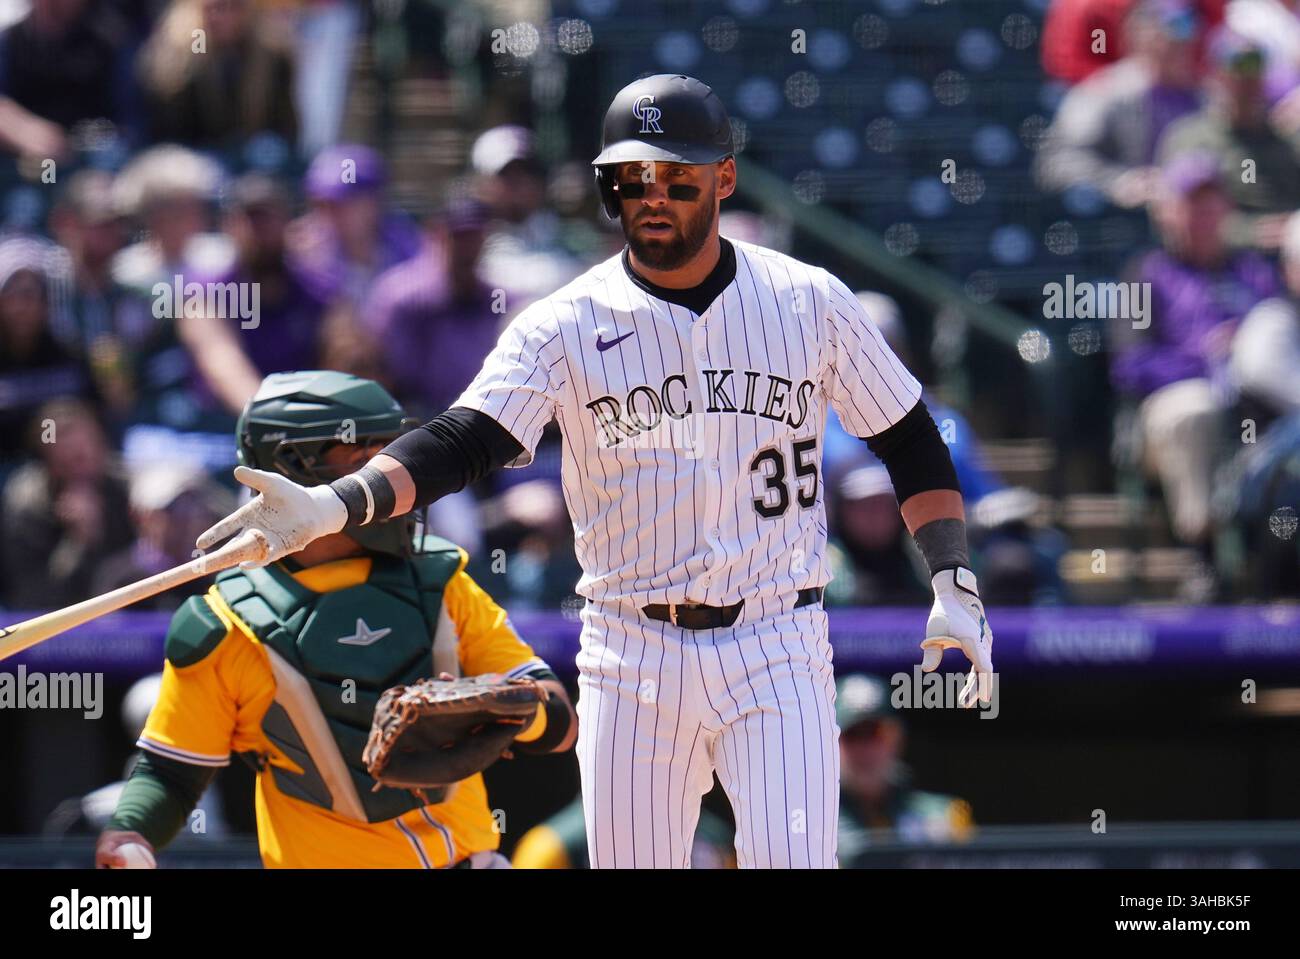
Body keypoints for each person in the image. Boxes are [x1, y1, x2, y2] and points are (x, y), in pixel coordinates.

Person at [191, 75, 994, 869]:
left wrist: (952, 574)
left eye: (676, 178)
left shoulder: (806, 300)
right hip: (631, 645)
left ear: (723, 177)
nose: (653, 197)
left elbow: (912, 436)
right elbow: (465, 437)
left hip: (777, 636)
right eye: (630, 179)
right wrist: (336, 505)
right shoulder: (564, 322)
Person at [95, 371, 576, 868]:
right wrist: (129, 835)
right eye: (366, 458)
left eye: (396, 454)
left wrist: (512, 709)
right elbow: (171, 772)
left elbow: (560, 724)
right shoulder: (226, 623)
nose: (395, 479)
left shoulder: (440, 578)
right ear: (293, 470)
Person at [1112, 152, 1279, 546]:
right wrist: (1205, 358)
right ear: (1165, 212)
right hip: (1168, 413)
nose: (1202, 215)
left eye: (1211, 204)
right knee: (1197, 409)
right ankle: (1204, 549)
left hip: (1251, 401)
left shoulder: (1253, 271)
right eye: (1191, 204)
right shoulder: (1144, 274)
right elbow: (1130, 366)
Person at [1036, 0, 1204, 207]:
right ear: (1140, 33)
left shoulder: (1206, 98)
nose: (1183, 38)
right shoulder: (1104, 93)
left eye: (1190, 25)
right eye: (1172, 26)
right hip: (1122, 225)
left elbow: (1237, 163)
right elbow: (1057, 163)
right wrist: (1118, 181)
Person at [1158, 28, 1300, 249]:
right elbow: (1171, 211)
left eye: (1254, 69)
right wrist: (1246, 232)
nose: (1246, 81)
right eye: (1237, 68)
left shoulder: (1288, 140)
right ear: (1215, 74)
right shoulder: (1192, 138)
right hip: (1221, 262)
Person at [1, 398, 133, 611]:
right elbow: (33, 600)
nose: (81, 469)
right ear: (46, 462)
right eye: (67, 461)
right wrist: (78, 542)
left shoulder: (126, 487)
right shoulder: (26, 507)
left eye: (84, 454)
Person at [834, 674, 974, 867]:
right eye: (853, 735)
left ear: (896, 737)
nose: (865, 749)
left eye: (873, 733)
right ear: (831, 743)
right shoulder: (814, 823)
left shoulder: (945, 815)